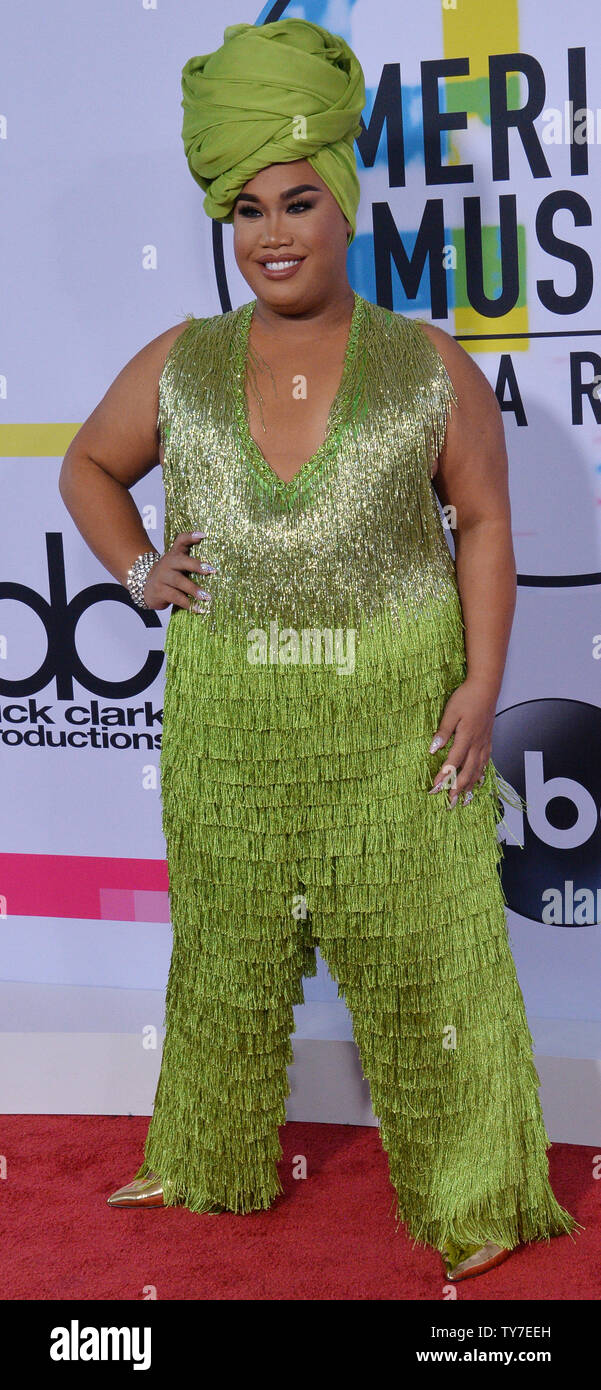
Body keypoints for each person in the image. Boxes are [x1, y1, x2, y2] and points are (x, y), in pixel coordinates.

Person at [58, 18, 581, 1283]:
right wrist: (139, 571)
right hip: (230, 732)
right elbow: (87, 465)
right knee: (225, 955)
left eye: (298, 201)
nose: (273, 234)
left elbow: (488, 524)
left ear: (345, 204)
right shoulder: (184, 361)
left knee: (431, 968)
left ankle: (480, 1195)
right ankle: (207, 1159)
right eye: (246, 211)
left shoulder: (428, 367)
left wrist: (479, 682)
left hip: (397, 727)